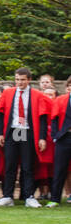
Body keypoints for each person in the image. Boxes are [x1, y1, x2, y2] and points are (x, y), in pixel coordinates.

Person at [0, 67, 49, 207]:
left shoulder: (37, 95)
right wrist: (0, 133)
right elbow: (1, 114)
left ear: (29, 80)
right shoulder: (8, 93)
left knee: (27, 165)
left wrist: (42, 137)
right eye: (17, 79)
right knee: (10, 164)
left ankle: (29, 196)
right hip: (13, 131)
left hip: (27, 131)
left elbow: (42, 118)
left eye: (23, 80)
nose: (20, 82)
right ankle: (7, 196)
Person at [47, 77, 71, 206]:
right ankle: (55, 199)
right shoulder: (60, 100)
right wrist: (55, 136)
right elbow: (54, 119)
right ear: (68, 87)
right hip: (64, 138)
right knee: (59, 169)